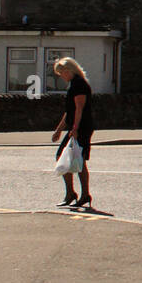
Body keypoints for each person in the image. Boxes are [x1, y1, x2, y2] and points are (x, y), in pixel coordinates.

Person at [51, 56, 94, 209]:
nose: (61, 76)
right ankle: (72, 194)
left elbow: (79, 108)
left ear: (69, 70)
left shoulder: (79, 84)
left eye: (62, 73)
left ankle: (82, 194)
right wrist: (59, 129)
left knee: (78, 160)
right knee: (66, 158)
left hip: (82, 127)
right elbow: (69, 111)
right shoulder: (73, 84)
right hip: (75, 126)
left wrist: (75, 128)